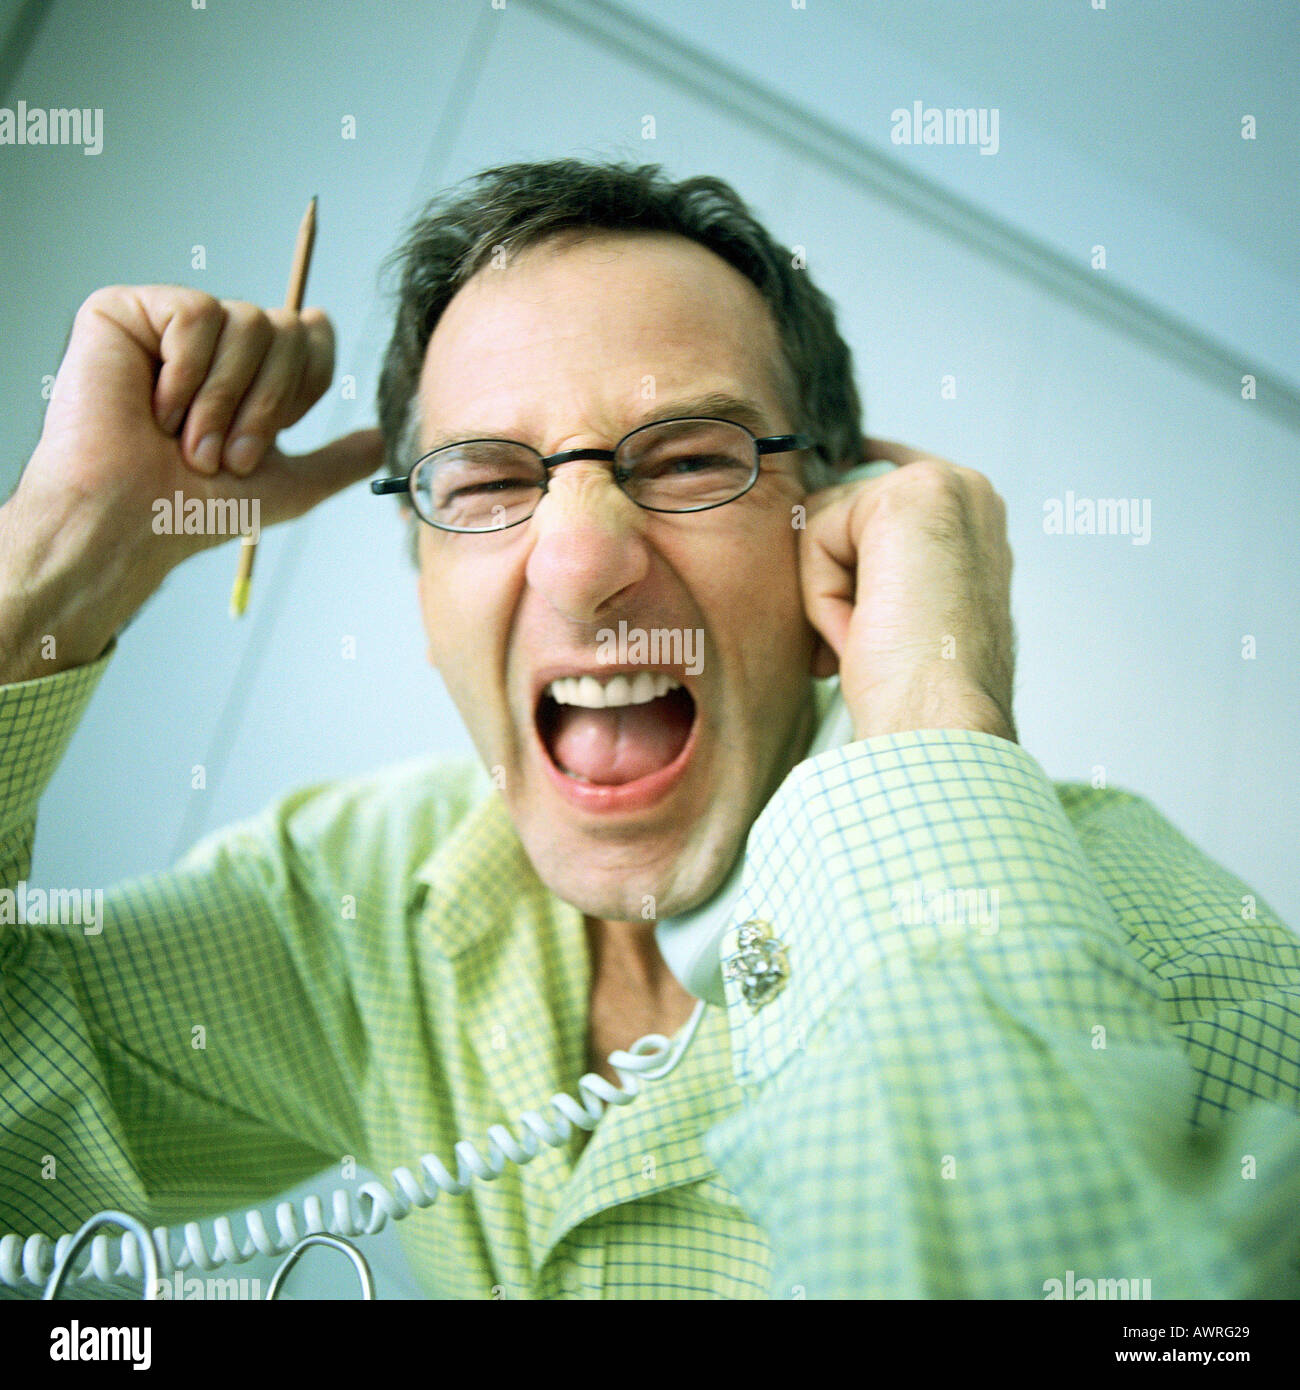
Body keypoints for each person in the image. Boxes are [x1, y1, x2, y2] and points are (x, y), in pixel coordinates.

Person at [1, 159, 1297, 1301]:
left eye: (689, 458)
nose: (579, 563)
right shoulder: (350, 896)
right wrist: (57, 571)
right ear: (419, 575)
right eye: (489, 480)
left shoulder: (1182, 956)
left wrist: (933, 709)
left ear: (855, 513)